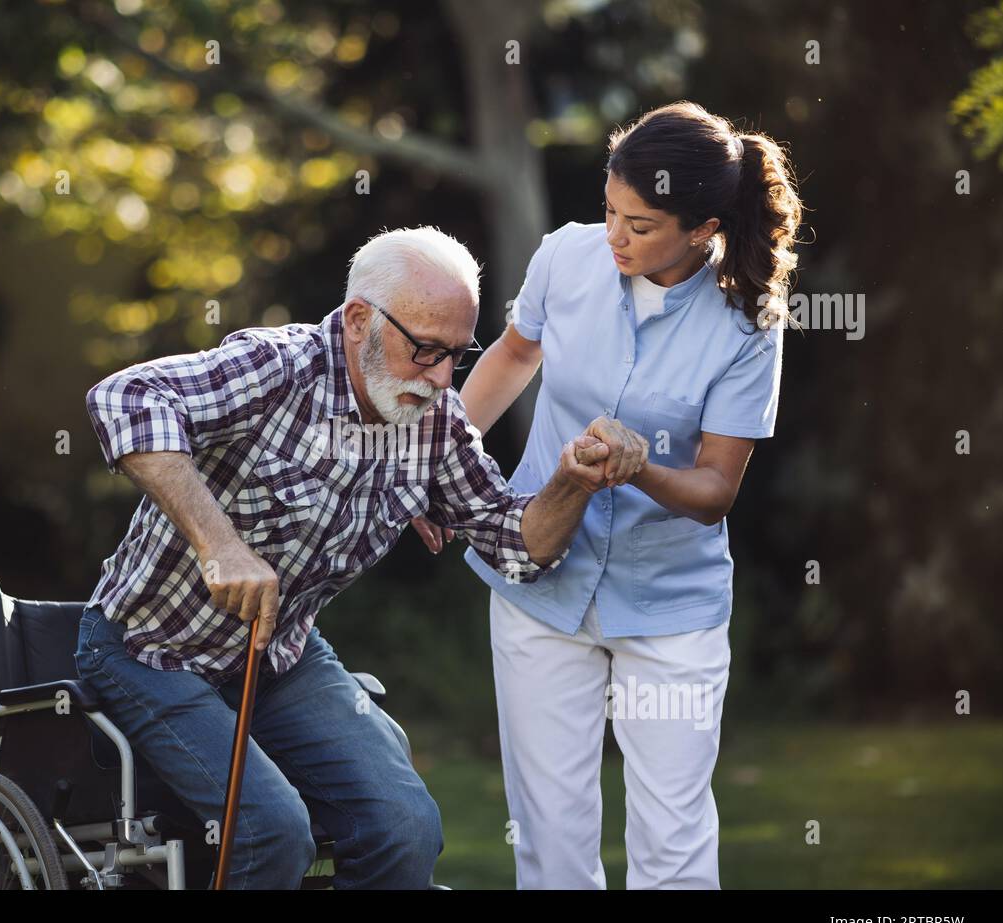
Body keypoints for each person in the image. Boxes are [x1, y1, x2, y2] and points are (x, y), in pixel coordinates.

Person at [78, 226, 613, 888]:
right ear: (359, 319)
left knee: (404, 826)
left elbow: (517, 546)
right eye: (423, 349)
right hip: (150, 650)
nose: (442, 377)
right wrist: (219, 545)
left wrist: (573, 482)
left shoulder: (435, 422)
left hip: (279, 657)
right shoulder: (278, 367)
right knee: (273, 831)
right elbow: (124, 397)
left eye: (456, 355)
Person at [413, 102, 804, 889]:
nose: (615, 238)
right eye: (609, 212)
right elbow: (512, 358)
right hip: (538, 588)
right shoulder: (568, 257)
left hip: (669, 610)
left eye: (641, 224)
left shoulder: (749, 322)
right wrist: (434, 471)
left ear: (702, 228)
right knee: (550, 836)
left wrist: (640, 467)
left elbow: (714, 490)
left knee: (672, 842)